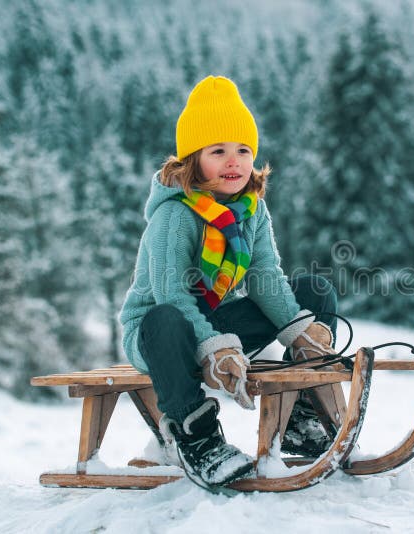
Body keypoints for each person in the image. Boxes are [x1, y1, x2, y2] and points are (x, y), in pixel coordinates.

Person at [119, 75, 339, 488]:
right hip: (162, 335)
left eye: (243, 150)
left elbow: (264, 277)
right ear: (192, 160)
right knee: (166, 319)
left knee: (313, 290)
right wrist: (214, 350)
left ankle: (301, 411)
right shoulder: (175, 216)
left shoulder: (251, 210)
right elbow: (174, 298)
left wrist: (299, 331)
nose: (233, 161)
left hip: (215, 320)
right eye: (218, 151)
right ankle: (196, 434)